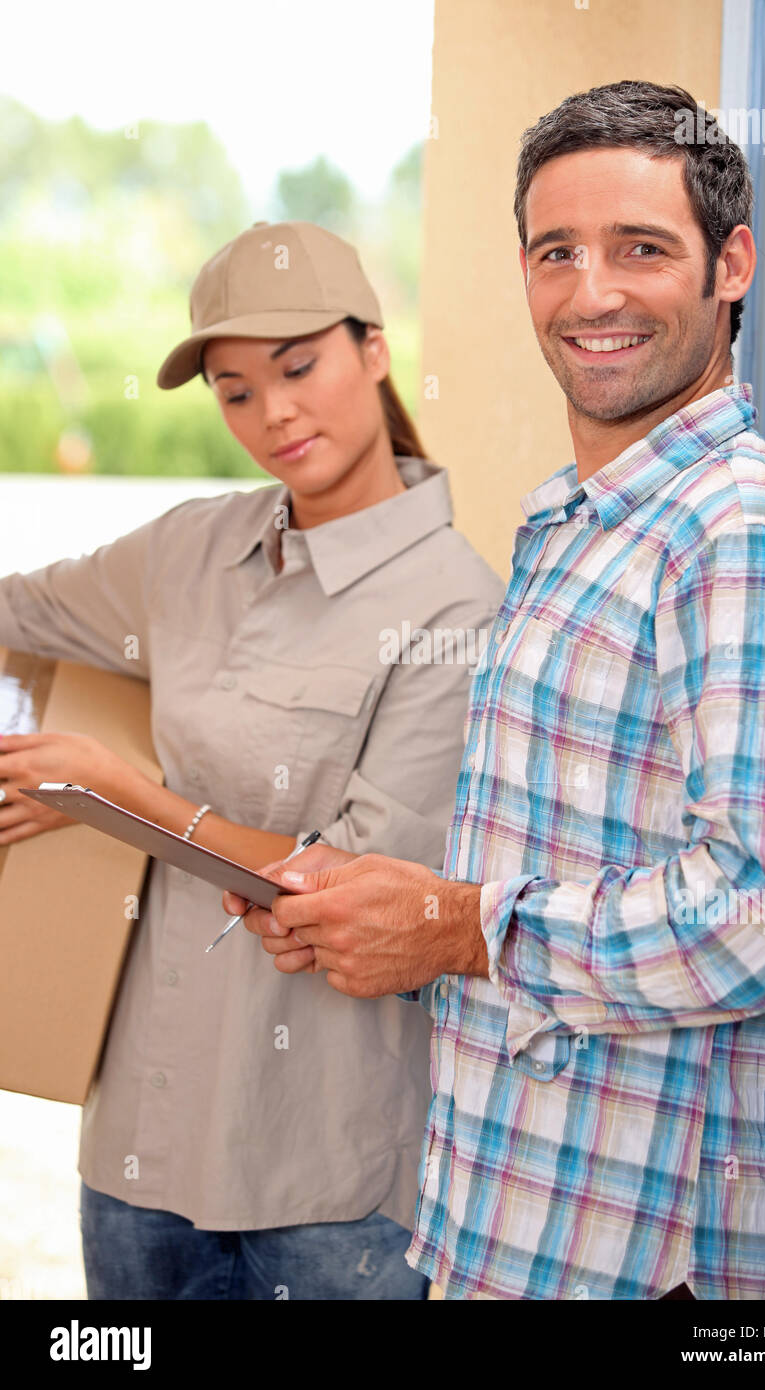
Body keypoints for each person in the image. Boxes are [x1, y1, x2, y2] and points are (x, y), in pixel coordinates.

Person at [239, 85, 765, 1300]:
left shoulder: (745, 533)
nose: (591, 294)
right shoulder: (568, 520)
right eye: (555, 252)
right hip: (511, 1227)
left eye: (642, 249)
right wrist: (384, 901)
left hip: (661, 1268)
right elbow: (554, 855)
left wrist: (462, 925)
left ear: (731, 264)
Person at [0, 220, 504, 1300]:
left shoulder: (457, 607)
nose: (271, 413)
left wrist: (118, 794)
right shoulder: (183, 552)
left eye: (297, 365)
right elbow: (18, 615)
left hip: (326, 1185)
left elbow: (352, 898)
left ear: (372, 348)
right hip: (139, 1144)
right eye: (234, 391)